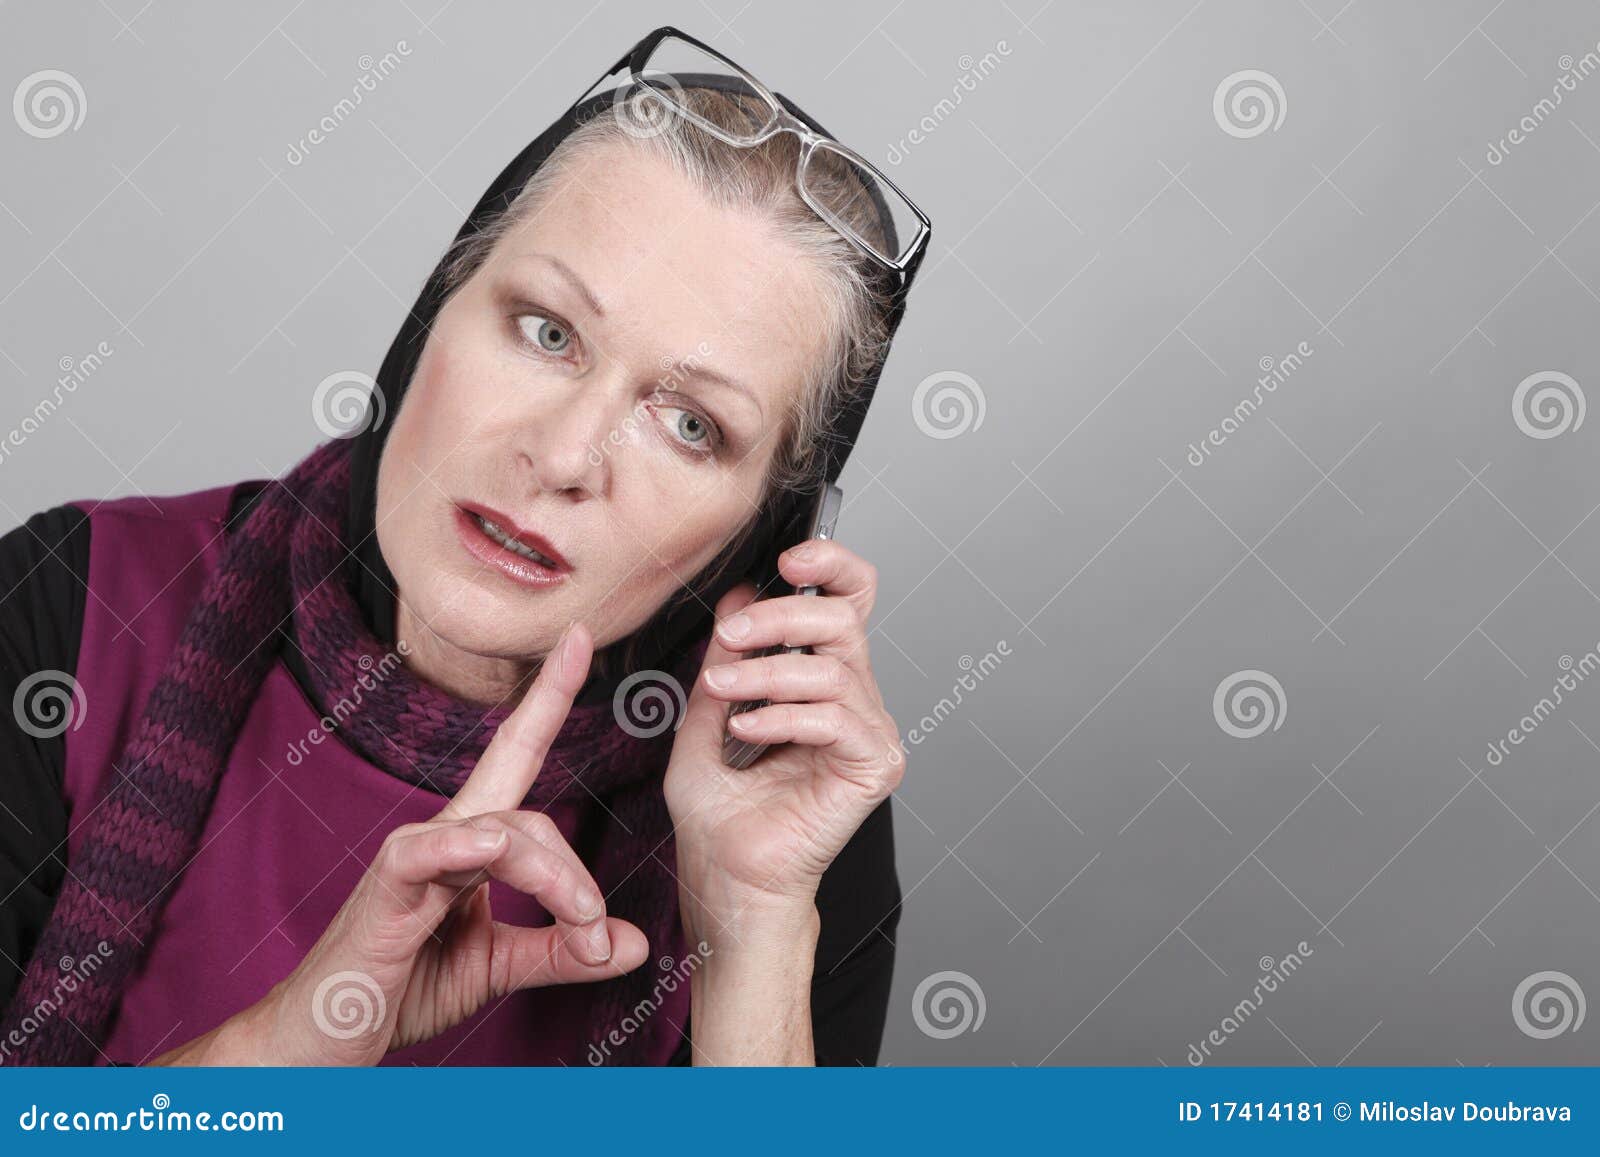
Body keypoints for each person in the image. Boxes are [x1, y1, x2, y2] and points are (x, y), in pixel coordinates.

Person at [0, 27, 930, 1066]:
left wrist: (750, 925)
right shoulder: (70, 607)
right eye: (545, 331)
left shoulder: (783, 807)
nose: (568, 454)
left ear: (762, 534)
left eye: (691, 425)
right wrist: (300, 1041)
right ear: (436, 311)